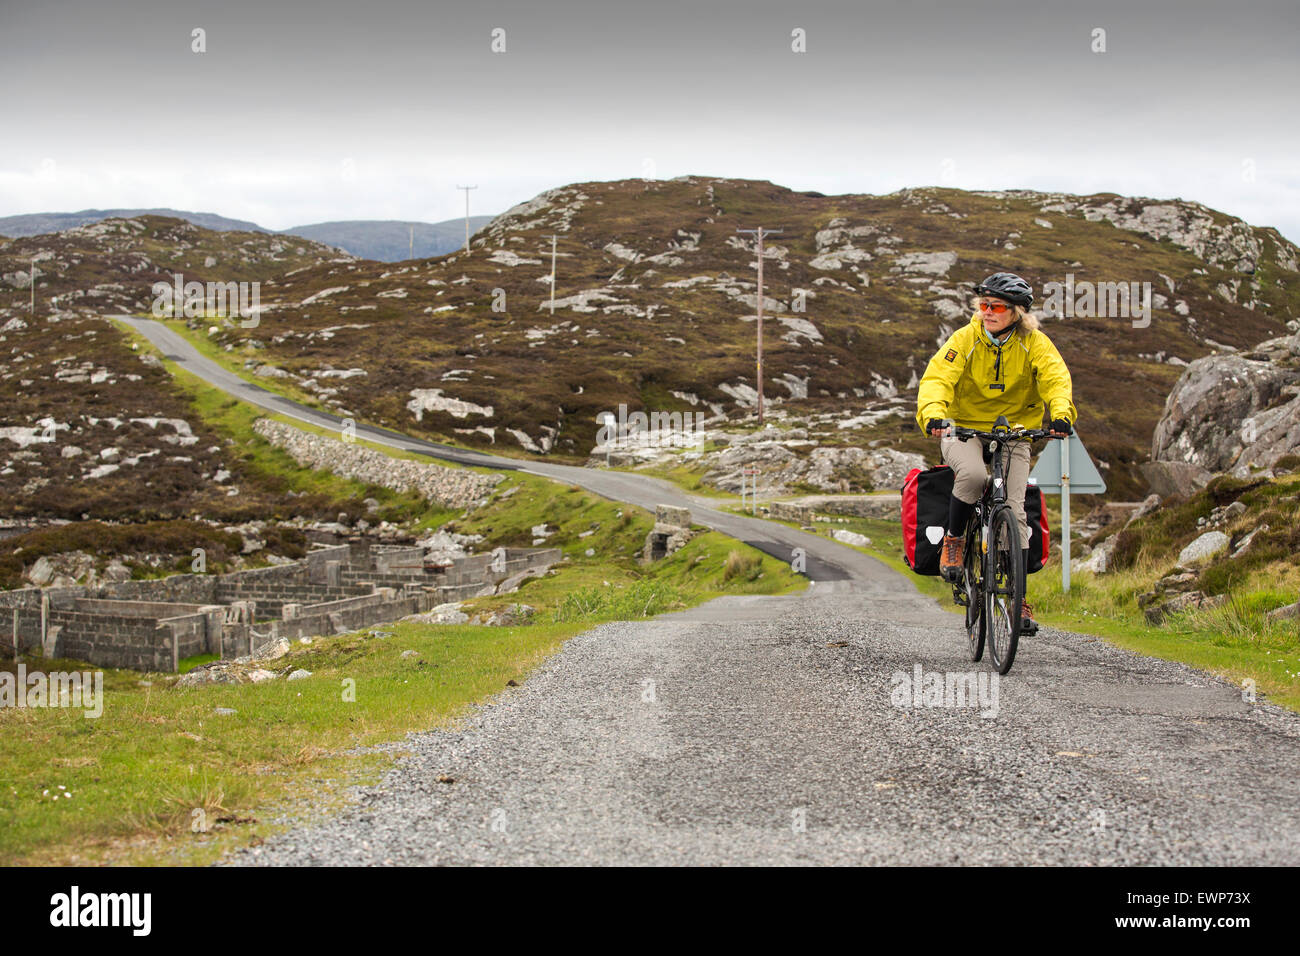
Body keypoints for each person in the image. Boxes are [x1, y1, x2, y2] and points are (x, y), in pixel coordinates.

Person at [914, 272, 1076, 628]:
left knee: (1015, 513)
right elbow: (939, 378)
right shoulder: (966, 339)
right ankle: (954, 541)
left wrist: (1061, 415)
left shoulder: (1034, 343)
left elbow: (1055, 379)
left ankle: (1018, 600)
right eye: (983, 305)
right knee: (972, 476)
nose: (987, 311)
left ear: (1016, 312)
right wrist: (934, 414)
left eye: (996, 306)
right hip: (963, 428)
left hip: (1015, 432)